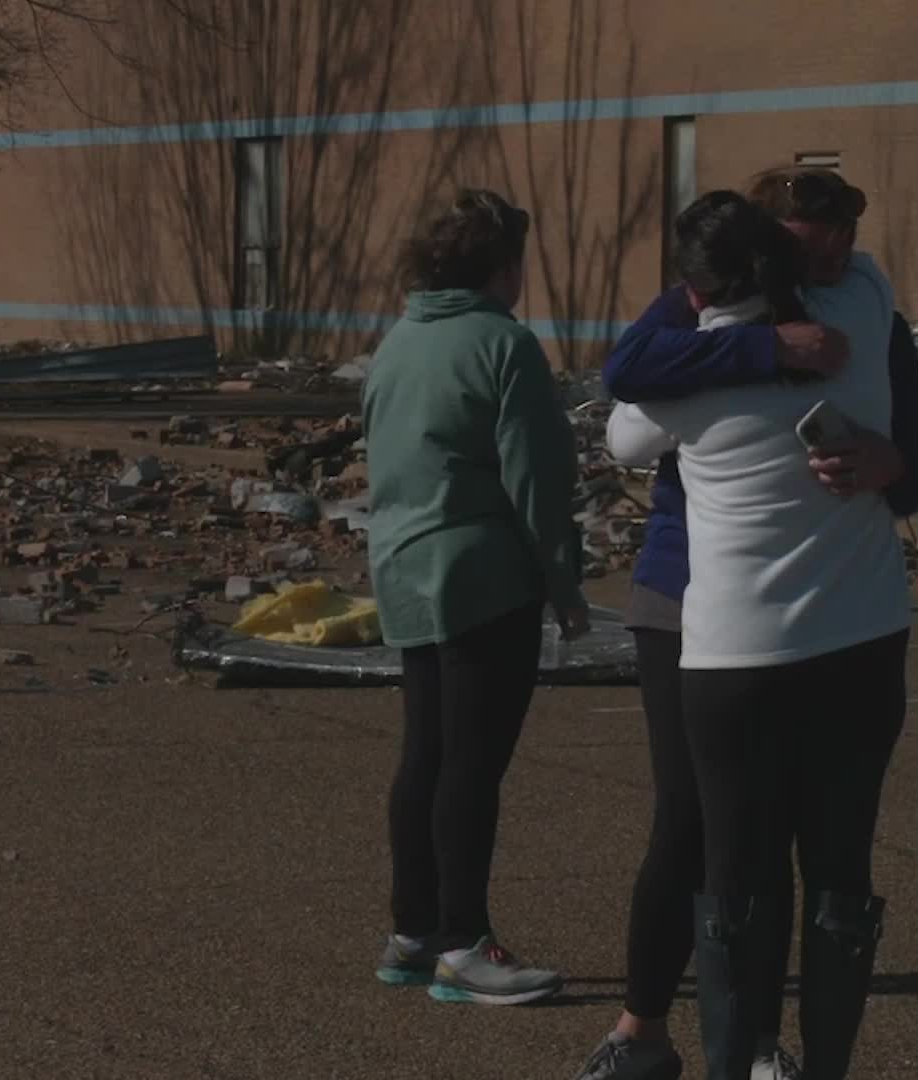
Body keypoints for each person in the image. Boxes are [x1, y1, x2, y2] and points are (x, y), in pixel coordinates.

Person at [574, 175, 918, 1080]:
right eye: (812, 243)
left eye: (842, 240)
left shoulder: (833, 315)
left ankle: (731, 1054)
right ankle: (720, 1045)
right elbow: (647, 358)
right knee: (796, 859)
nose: (832, 260)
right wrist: (772, 347)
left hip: (740, 639)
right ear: (774, 248)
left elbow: (623, 414)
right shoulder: (857, 311)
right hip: (822, 626)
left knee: (738, 873)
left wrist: (888, 462)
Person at [362, 188, 590, 1007]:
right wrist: (564, 584)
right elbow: (536, 480)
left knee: (425, 751)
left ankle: (413, 930)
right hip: (485, 574)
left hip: (405, 566)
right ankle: (465, 940)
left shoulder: (396, 343)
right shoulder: (505, 345)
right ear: (502, 266)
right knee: (473, 763)